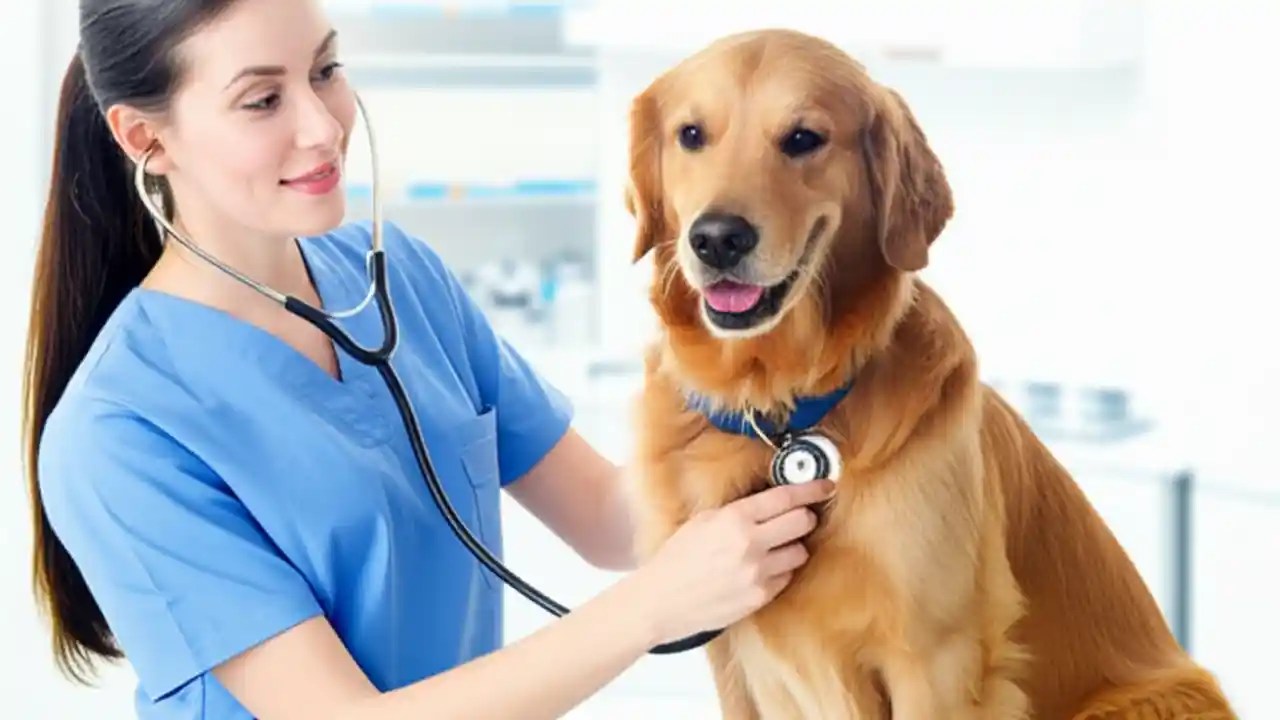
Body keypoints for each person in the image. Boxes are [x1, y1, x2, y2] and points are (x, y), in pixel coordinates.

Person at [21, 1, 834, 718]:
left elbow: (615, 521)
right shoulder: (118, 430)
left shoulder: (399, 277)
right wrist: (653, 608)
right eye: (263, 99)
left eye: (326, 69)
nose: (322, 124)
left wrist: (821, 430)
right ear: (144, 137)